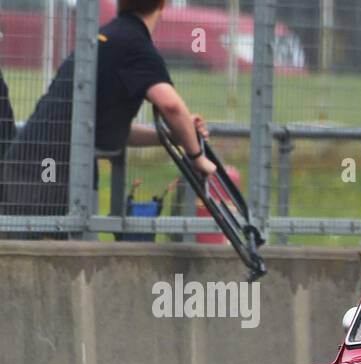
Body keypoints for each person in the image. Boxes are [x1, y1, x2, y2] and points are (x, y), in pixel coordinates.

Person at [0, 0, 214, 228]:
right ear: (162, 5)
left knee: (55, 250)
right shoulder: (134, 44)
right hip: (47, 175)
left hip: (29, 169)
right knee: (56, 251)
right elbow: (172, 106)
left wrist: (175, 134)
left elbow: (110, 130)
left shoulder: (105, 39)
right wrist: (197, 157)